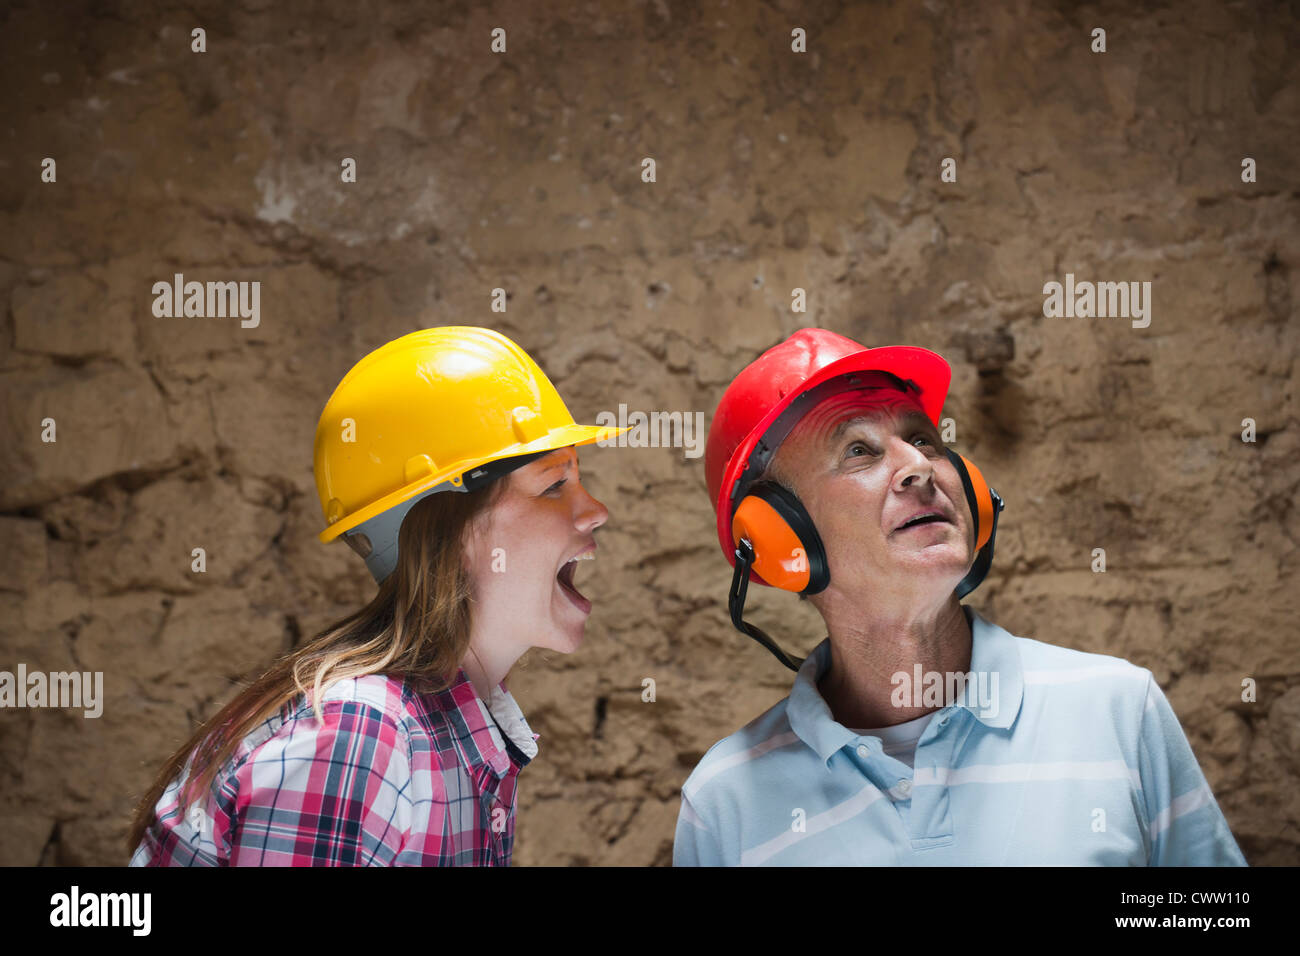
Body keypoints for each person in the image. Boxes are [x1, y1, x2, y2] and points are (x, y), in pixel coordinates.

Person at [674, 327, 1247, 866]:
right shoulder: (725, 805)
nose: (919, 467)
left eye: (923, 439)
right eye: (858, 451)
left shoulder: (1117, 709)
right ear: (777, 537)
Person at [127, 326, 622, 866]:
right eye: (554, 485)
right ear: (449, 532)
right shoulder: (362, 733)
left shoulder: (451, 725)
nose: (595, 511)